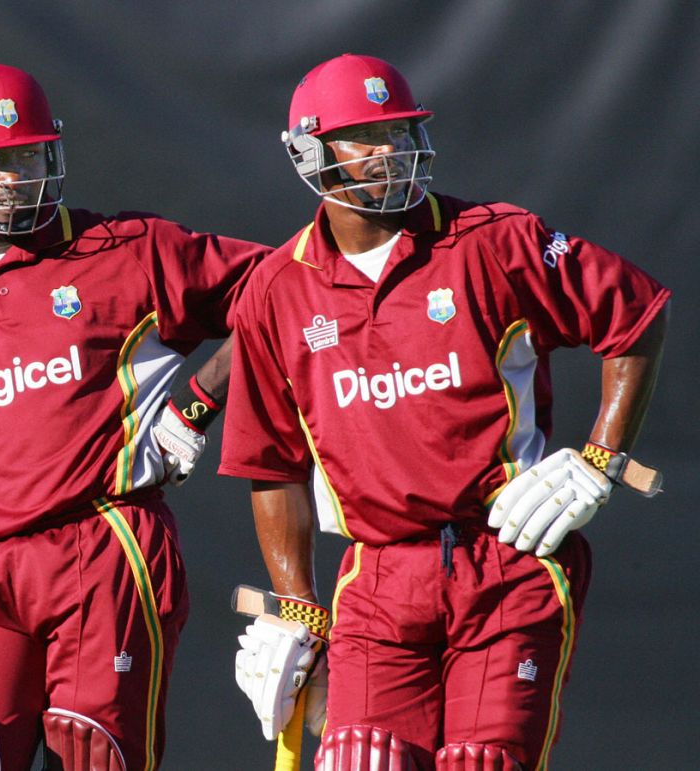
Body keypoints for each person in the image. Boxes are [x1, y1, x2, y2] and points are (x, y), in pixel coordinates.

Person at [218, 53, 670, 770]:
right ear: (309, 153)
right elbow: (269, 464)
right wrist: (295, 610)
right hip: (377, 578)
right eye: (365, 138)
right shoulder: (277, 289)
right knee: (360, 757)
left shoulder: (494, 240)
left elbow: (635, 315)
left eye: (398, 134)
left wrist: (602, 458)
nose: (390, 153)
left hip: (507, 560)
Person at [0, 62, 269, 771]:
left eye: (30, 156)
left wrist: (197, 403)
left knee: (93, 755)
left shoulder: (129, 249)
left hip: (105, 545)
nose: (16, 177)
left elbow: (287, 292)